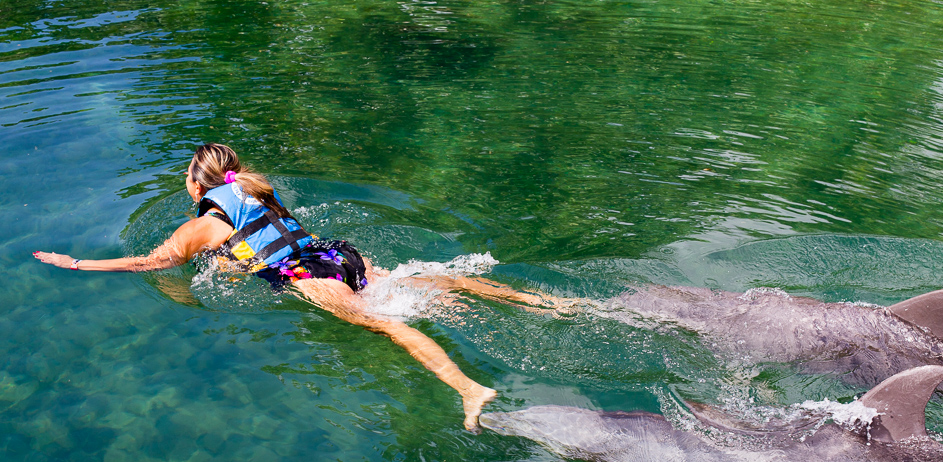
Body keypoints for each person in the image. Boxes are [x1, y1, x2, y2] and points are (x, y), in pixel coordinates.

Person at [34, 143, 576, 430]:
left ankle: (469, 389)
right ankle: (554, 303)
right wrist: (228, 264)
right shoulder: (259, 192)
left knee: (386, 324)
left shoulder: (200, 223)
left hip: (310, 281)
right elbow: (254, 245)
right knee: (431, 281)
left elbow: (148, 264)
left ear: (195, 184)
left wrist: (77, 263)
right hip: (337, 257)